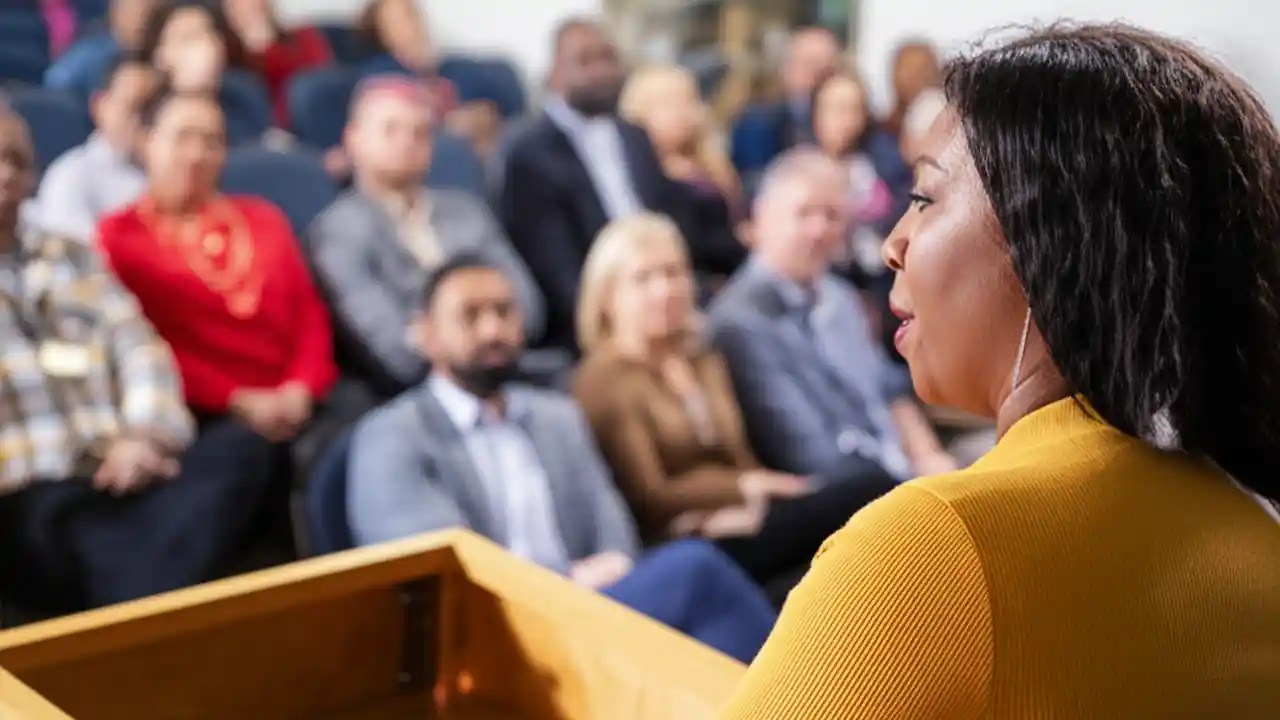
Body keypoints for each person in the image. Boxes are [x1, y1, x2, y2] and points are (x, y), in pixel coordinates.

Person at [721, 24, 1280, 718]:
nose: (893, 243)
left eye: (924, 200)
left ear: (1045, 245)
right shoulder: (1254, 528)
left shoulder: (929, 550)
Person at [348, 256, 776, 663]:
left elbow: (612, 527)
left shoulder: (555, 416)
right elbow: (444, 575)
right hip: (495, 633)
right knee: (695, 569)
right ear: (426, 333)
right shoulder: (391, 437)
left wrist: (608, 568)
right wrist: (565, 578)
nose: (493, 329)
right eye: (471, 315)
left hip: (592, 605)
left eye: (504, 311)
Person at [0, 108, 272, 613]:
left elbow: (138, 346)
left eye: (16, 159)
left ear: (33, 175)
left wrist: (142, 437)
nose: (5, 173)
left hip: (128, 468)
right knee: (49, 525)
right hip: (30, 492)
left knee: (245, 449)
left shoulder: (69, 254)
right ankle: (154, 597)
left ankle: (135, 600)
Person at [573, 213, 892, 601]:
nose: (665, 289)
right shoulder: (603, 381)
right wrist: (744, 488)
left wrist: (754, 494)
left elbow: (739, 453)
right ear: (607, 297)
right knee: (872, 489)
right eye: (643, 279)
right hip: (685, 538)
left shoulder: (702, 356)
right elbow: (650, 496)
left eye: (673, 273)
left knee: (856, 554)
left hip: (753, 515)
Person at [96, 90, 337, 446]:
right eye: (183, 138)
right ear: (147, 142)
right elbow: (140, 343)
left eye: (212, 141)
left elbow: (307, 312)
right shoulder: (118, 235)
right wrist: (234, 399)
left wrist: (301, 387)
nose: (197, 154)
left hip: (302, 398)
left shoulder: (263, 217)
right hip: (204, 410)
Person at [708, 148, 953, 488]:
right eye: (804, 213)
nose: (819, 229)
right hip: (850, 494)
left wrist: (927, 455)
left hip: (906, 471)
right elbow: (806, 451)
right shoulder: (739, 321)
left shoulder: (841, 297)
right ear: (762, 218)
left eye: (833, 216)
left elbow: (888, 388)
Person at [499, 18, 732, 352]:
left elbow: (672, 219)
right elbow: (558, 271)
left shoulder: (633, 135)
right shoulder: (530, 155)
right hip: (599, 311)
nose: (600, 72)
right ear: (554, 74)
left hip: (666, 283)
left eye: (607, 58)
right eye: (584, 61)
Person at [310, 77, 546, 397]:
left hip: (513, 374)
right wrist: (488, 336)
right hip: (416, 396)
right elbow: (392, 348)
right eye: (391, 130)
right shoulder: (338, 230)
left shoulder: (467, 210)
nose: (407, 141)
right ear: (354, 140)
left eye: (420, 132)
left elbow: (528, 307)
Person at [620, 65, 746, 288]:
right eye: (666, 104)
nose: (681, 112)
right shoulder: (646, 178)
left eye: (688, 100)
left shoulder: (715, 164)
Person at [35, 54, 157, 243]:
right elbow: (77, 256)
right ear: (99, 105)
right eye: (135, 107)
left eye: (154, 111)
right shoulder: (72, 175)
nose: (144, 121)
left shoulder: (185, 173)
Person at [729, 26, 843, 175]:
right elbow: (753, 181)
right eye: (809, 64)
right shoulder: (759, 122)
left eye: (827, 70)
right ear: (787, 67)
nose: (817, 78)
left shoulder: (853, 121)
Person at [222, 0, 333, 128]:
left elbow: (320, 81)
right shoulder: (226, 53)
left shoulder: (304, 37)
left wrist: (267, 47)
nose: (247, 5)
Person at [44, 0, 157, 97]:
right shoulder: (89, 55)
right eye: (134, 11)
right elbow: (56, 83)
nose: (142, 21)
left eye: (149, 13)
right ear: (115, 12)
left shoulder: (160, 57)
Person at [883, 40, 942, 139]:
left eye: (916, 72)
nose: (904, 78)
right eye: (901, 69)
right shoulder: (880, 128)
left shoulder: (938, 118)